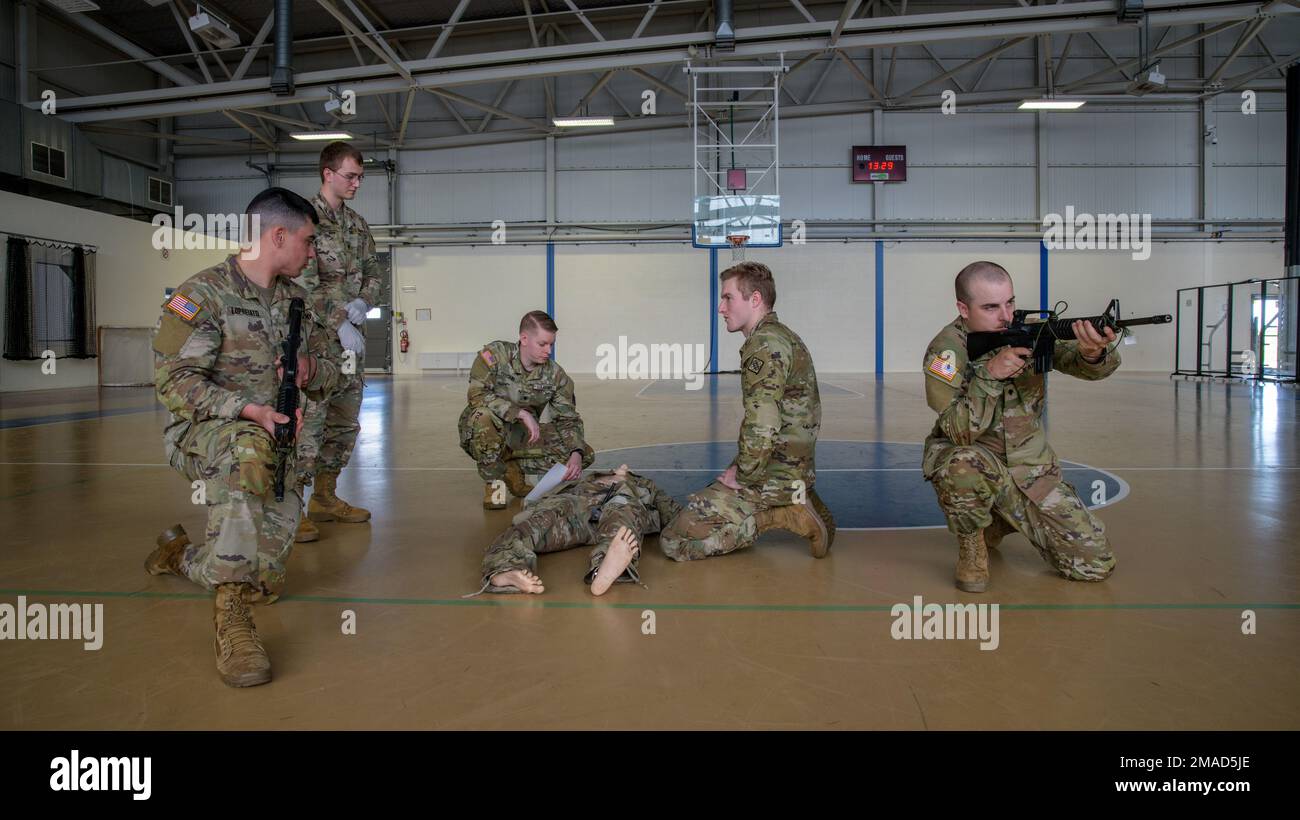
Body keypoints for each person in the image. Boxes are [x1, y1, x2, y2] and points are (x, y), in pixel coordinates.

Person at [145, 187, 340, 687]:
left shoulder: (299, 302)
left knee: (262, 580)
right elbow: (173, 382)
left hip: (278, 442)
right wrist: (248, 410)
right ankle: (231, 622)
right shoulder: (202, 295)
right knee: (245, 450)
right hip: (206, 432)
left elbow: (333, 373)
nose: (312, 253)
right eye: (308, 241)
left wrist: (308, 368)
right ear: (278, 236)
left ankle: (178, 555)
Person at [923, 260, 1120, 593]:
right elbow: (958, 431)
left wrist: (1092, 354)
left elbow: (1083, 365)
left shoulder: (1030, 330)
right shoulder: (947, 352)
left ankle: (1000, 519)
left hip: (1031, 468)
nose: (1005, 315)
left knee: (1095, 565)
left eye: (1010, 302)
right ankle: (972, 545)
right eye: (990, 307)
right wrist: (989, 375)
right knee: (960, 463)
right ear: (963, 308)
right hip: (977, 460)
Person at [659, 261, 834, 561]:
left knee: (674, 539)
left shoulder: (764, 345)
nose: (721, 308)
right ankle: (800, 497)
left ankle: (782, 514)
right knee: (699, 504)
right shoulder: (782, 335)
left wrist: (743, 473)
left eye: (728, 298)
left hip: (771, 476)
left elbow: (763, 422)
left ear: (755, 299)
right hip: (793, 469)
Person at [294, 141, 381, 541]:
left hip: (351, 347)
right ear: (327, 173)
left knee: (344, 423)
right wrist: (337, 321)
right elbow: (300, 283)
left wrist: (365, 302)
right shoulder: (304, 220)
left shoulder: (358, 225)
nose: (357, 183)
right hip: (315, 343)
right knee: (309, 423)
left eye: (360, 177)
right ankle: (291, 507)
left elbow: (373, 272)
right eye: (350, 176)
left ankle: (324, 497)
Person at [458, 310, 594, 509]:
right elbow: (476, 395)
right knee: (483, 417)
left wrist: (576, 453)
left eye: (551, 344)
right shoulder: (495, 356)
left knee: (584, 454)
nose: (548, 350)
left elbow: (568, 420)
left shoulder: (556, 375)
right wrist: (519, 413)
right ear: (524, 339)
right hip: (485, 432)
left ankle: (512, 468)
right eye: (542, 344)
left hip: (521, 436)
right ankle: (495, 483)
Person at [476, 465, 681, 596]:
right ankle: (504, 571)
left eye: (626, 468)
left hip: (620, 507)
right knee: (532, 525)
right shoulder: (586, 480)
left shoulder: (645, 486)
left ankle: (604, 569)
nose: (623, 466)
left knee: (622, 519)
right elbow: (546, 497)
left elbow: (673, 513)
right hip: (576, 510)